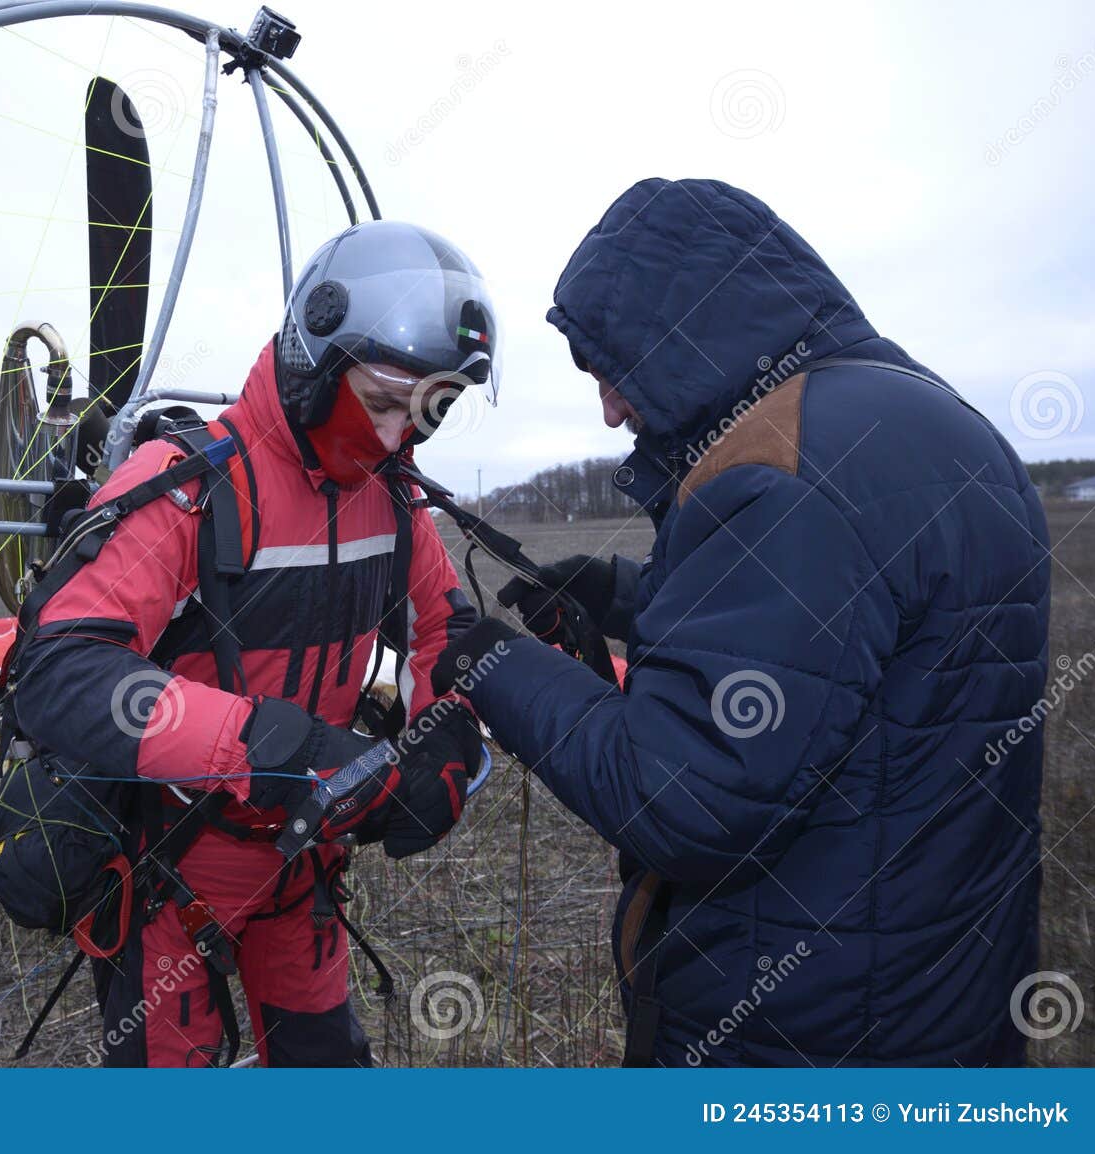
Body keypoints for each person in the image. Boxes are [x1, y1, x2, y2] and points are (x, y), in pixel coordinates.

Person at [436, 178, 1049, 1066]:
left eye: (611, 367)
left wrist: (498, 667)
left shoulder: (782, 465)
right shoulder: (938, 420)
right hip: (953, 1000)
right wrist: (620, 595)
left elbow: (679, 796)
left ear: (680, 330)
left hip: (802, 1037)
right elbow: (846, 639)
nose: (610, 406)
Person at [13, 221, 495, 1067]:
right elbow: (62, 671)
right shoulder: (191, 484)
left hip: (306, 869)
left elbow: (444, 628)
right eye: (382, 401)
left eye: (428, 412)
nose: (396, 437)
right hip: (170, 871)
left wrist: (444, 736)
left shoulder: (392, 499)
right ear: (318, 362)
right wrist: (282, 752)